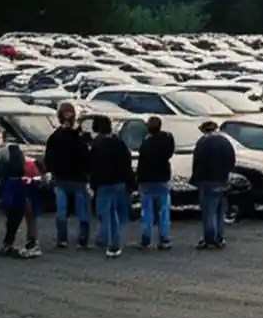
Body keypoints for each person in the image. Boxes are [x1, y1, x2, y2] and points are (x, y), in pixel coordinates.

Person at [44, 102, 92, 249]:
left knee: (62, 210)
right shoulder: (80, 137)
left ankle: (62, 239)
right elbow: (87, 156)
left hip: (61, 178)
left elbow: (49, 158)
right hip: (78, 178)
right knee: (82, 210)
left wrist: (52, 171)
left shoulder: (55, 137)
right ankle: (83, 239)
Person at [89, 115, 134, 259]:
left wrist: (93, 184)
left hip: (103, 184)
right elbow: (127, 163)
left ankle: (108, 242)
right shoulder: (119, 143)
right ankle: (112, 241)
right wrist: (131, 183)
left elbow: (93, 166)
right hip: (120, 183)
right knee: (117, 215)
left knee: (105, 214)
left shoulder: (97, 145)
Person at [191, 120, 235, 250]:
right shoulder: (225, 142)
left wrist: (196, 179)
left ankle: (210, 238)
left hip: (207, 181)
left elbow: (197, 162)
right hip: (222, 179)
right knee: (220, 211)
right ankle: (220, 237)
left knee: (209, 211)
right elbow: (232, 160)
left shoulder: (202, 143)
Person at [0, 141, 42, 258]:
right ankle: (27, 244)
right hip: (22, 199)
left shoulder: (6, 176)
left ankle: (8, 243)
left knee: (12, 222)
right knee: (26, 221)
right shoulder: (25, 171)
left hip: (10, 199)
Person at [137, 116, 175, 250]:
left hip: (147, 180)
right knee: (164, 211)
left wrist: (138, 179)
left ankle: (146, 238)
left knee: (147, 211)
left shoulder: (146, 143)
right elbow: (170, 151)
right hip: (162, 178)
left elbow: (141, 162)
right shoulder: (166, 140)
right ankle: (164, 239)